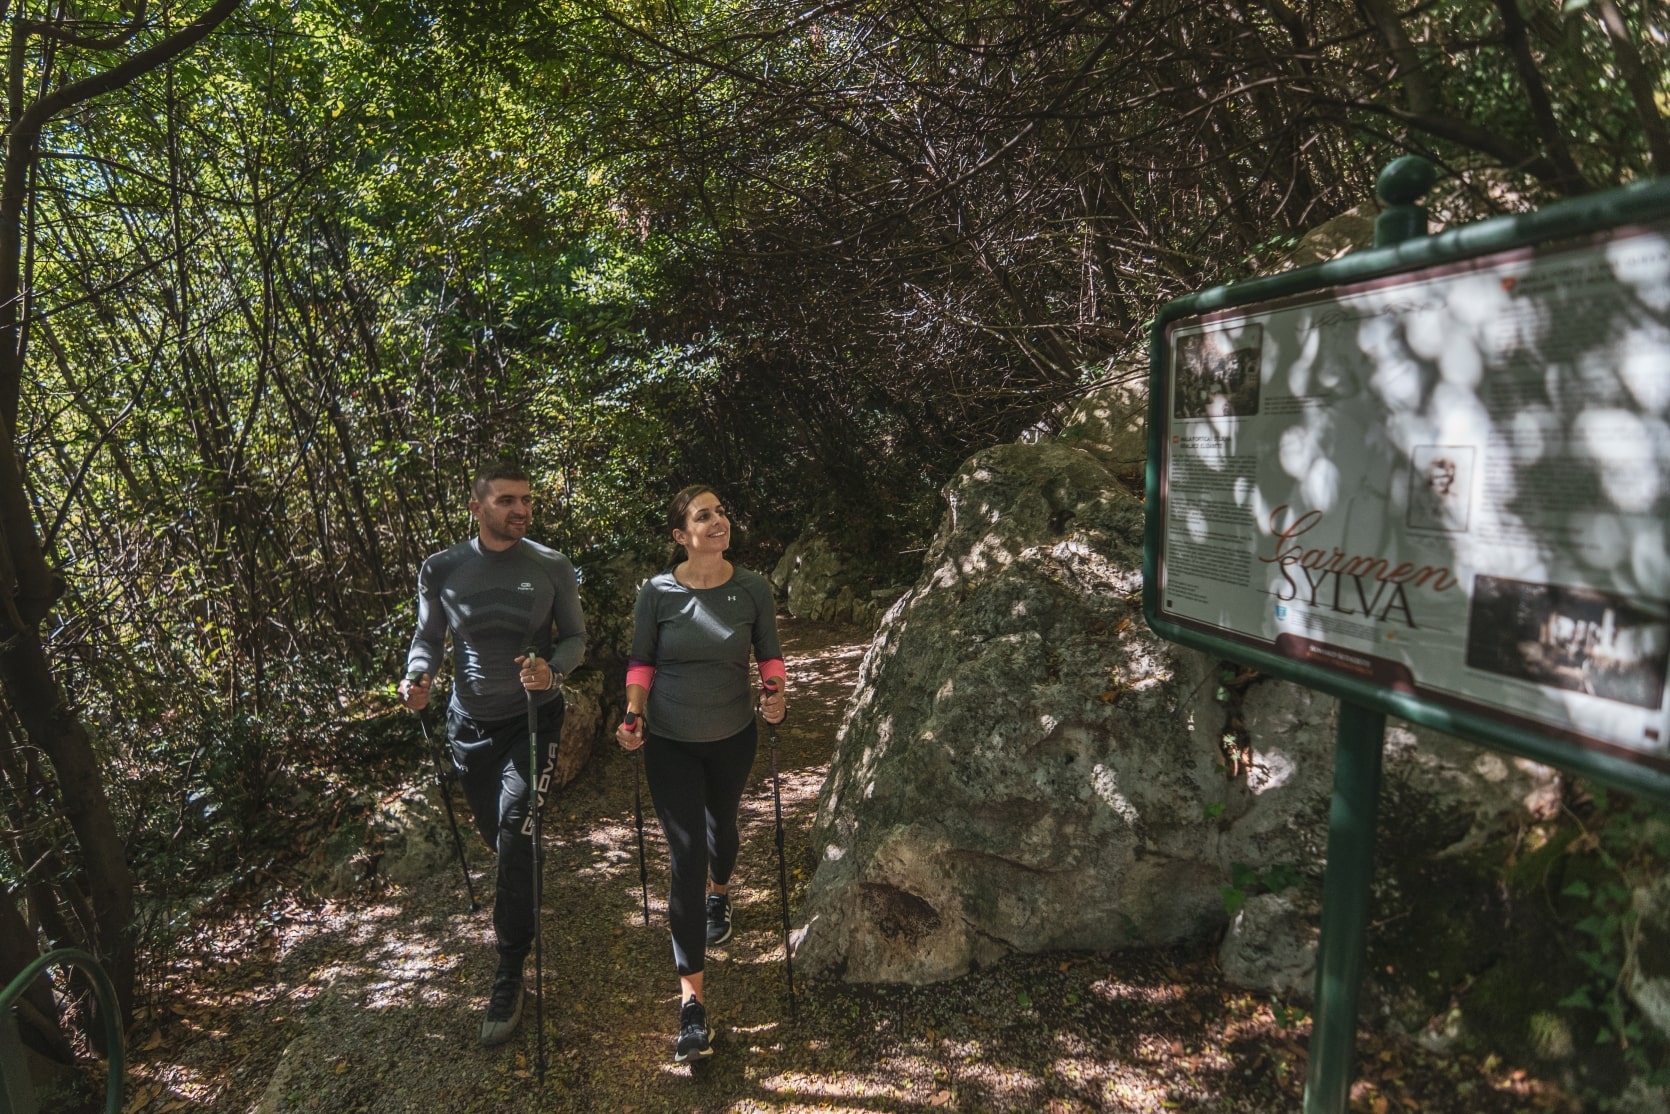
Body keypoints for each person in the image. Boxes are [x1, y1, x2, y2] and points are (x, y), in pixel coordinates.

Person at [399, 461, 586, 1047]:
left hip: (533, 720)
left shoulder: (551, 565)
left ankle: (509, 968)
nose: (520, 509)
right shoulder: (443, 569)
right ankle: (517, 881)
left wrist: (551, 670)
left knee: (516, 831)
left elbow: (575, 638)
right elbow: (428, 638)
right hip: (470, 726)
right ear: (477, 507)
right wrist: (418, 677)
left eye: (525, 500)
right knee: (497, 835)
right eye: (506, 500)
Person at [615, 484, 786, 1063]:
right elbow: (641, 660)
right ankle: (692, 1004)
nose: (719, 522)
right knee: (685, 853)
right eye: (703, 516)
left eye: (722, 513)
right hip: (668, 740)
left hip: (733, 734)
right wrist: (633, 713)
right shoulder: (656, 594)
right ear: (680, 535)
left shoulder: (751, 587)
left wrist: (776, 694)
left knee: (722, 829)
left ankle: (722, 892)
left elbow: (768, 653)